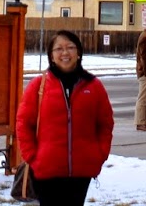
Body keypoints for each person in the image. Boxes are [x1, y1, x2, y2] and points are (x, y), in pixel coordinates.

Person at [17, 31, 114, 206]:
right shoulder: (38, 86)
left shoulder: (94, 86)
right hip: (46, 168)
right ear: (51, 56)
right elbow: (23, 123)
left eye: (70, 47)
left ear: (78, 53)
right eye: (59, 49)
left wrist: (100, 154)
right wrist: (32, 157)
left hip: (82, 169)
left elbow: (105, 123)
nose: (65, 53)